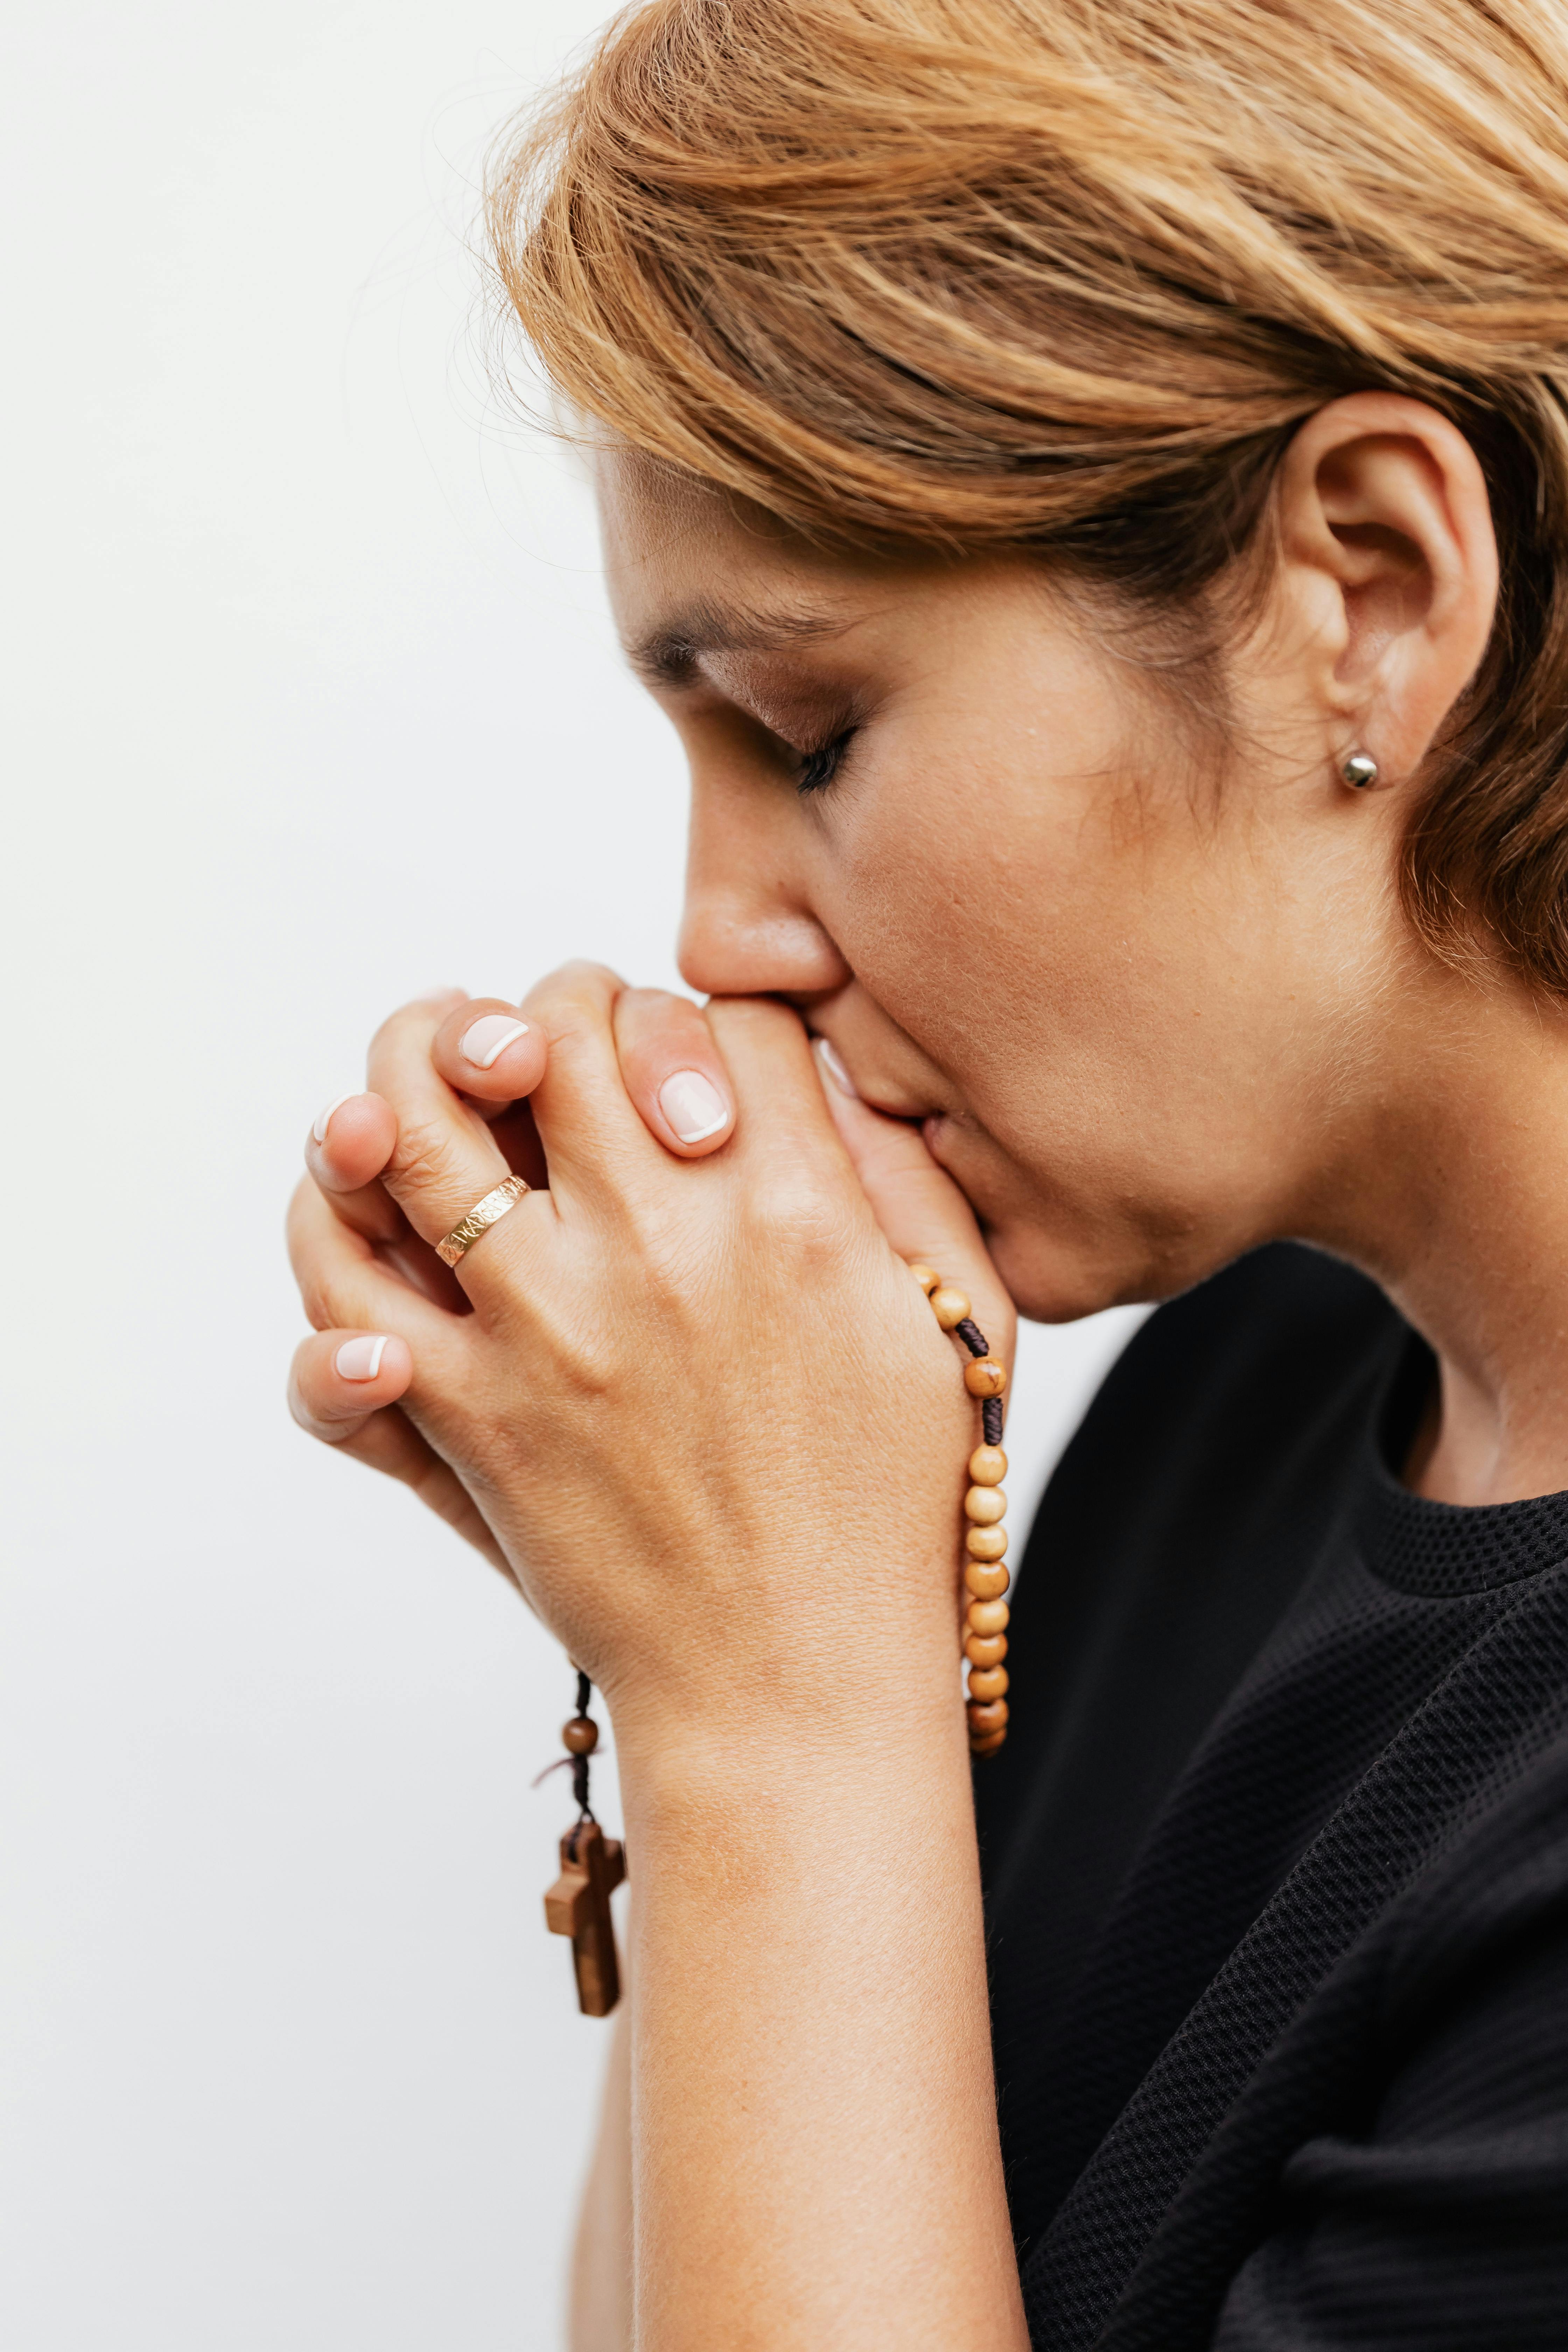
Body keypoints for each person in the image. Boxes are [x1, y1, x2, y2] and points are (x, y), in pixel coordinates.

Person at [284, 0, 1568, 2342]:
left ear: (1367, 590)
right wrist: (735, 1587)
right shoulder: (1255, 1380)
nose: (714, 936)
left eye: (811, 732)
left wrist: (766, 1702)